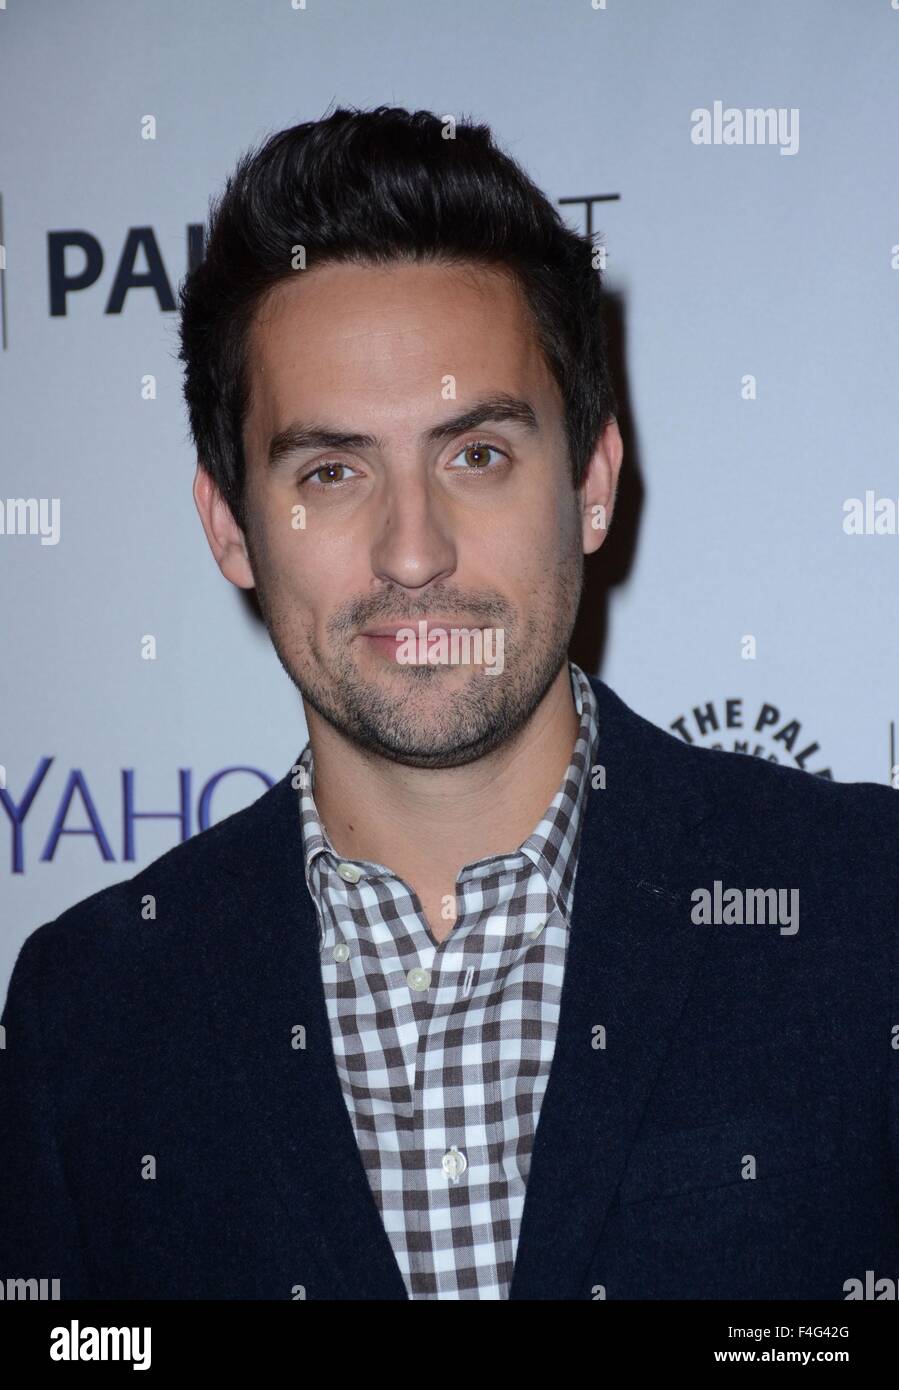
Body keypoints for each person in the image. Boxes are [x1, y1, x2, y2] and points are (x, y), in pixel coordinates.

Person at [2, 106, 898, 1301]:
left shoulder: (862, 914)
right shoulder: (91, 1014)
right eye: (332, 469)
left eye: (473, 454)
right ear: (231, 527)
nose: (411, 552)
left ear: (589, 482)